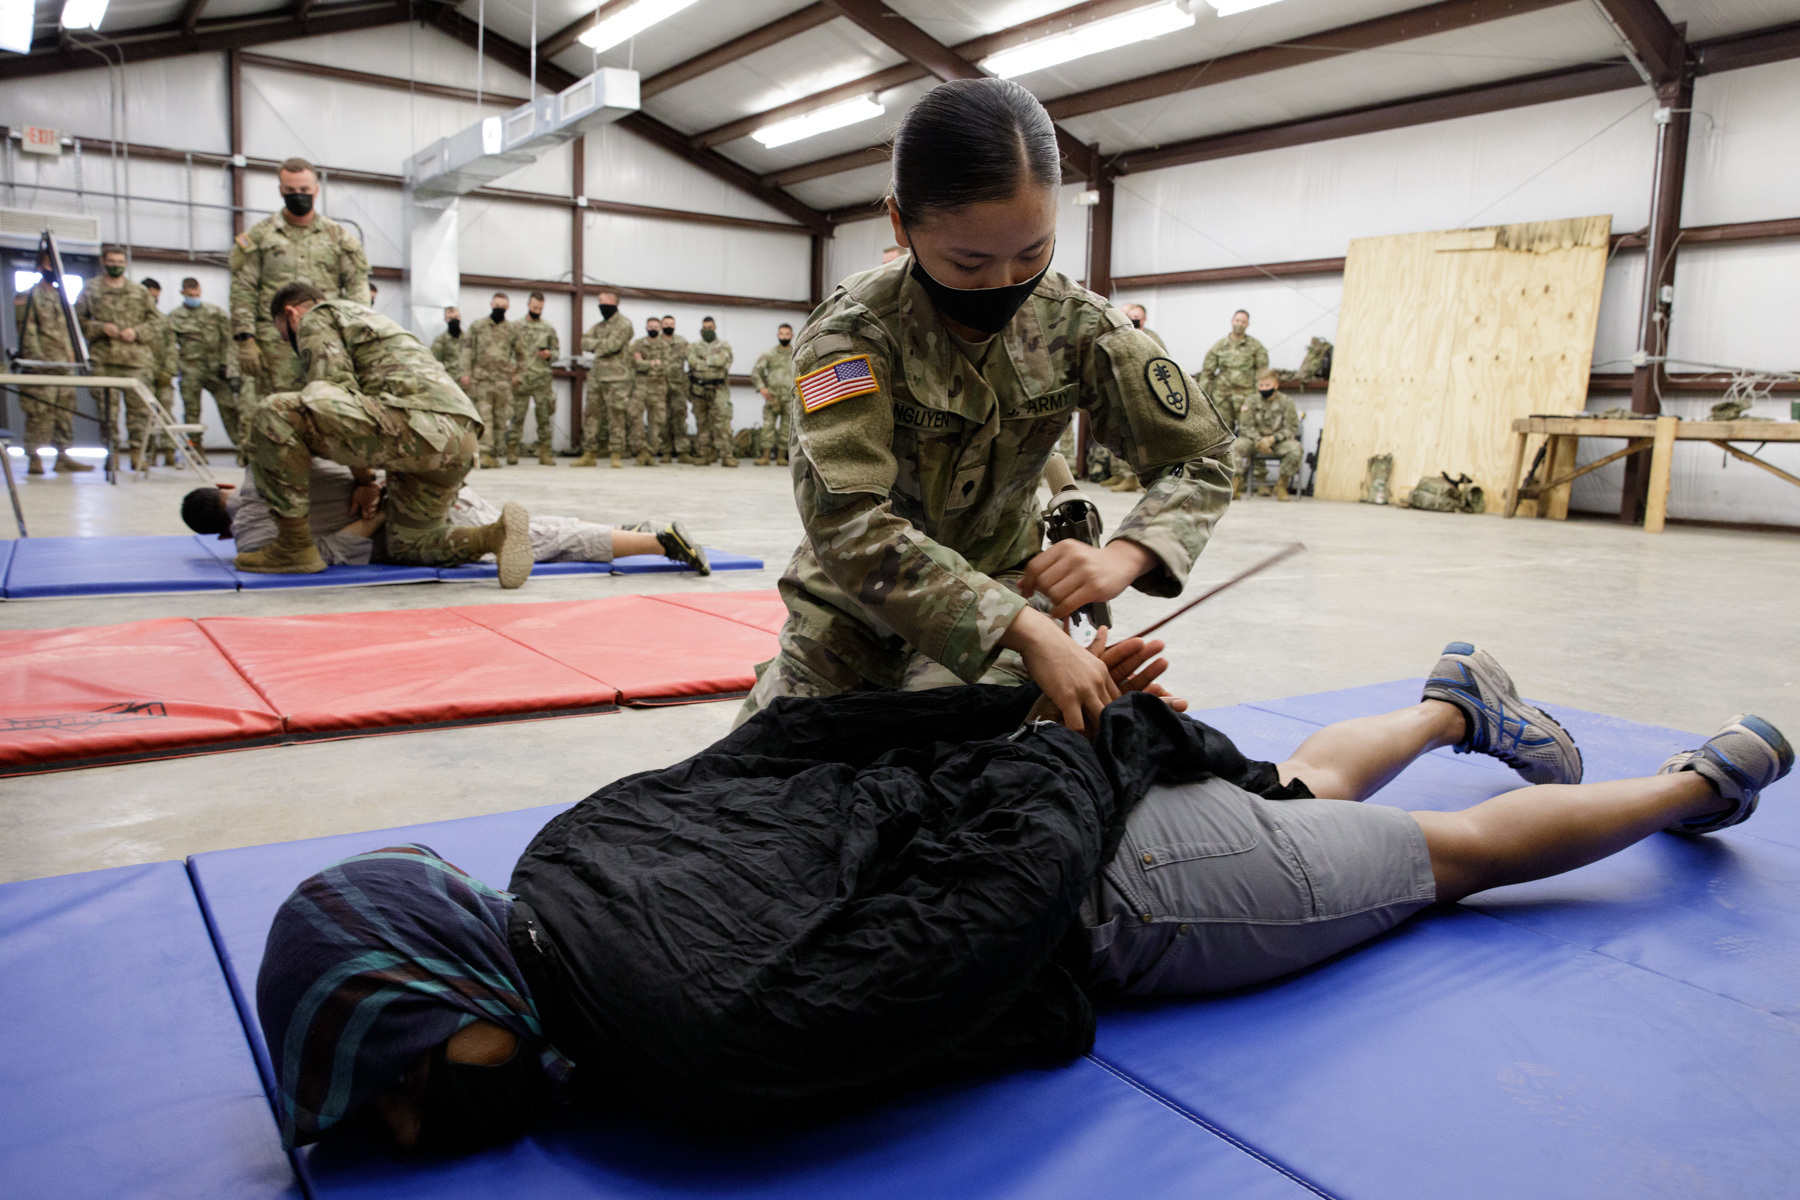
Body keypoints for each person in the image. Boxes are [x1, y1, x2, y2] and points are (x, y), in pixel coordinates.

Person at [254, 639, 1793, 1151]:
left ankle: (1697, 783)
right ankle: (1456, 706)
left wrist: (1074, 747)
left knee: (1437, 869)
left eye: (394, 1070)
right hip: (1040, 796)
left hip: (1117, 881)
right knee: (1304, 794)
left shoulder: (686, 1036)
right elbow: (799, 736)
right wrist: (1028, 715)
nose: (397, 1124)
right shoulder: (554, 864)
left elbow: (977, 936)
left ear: (436, 979)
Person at [738, 78, 1234, 733]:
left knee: (993, 775)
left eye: (1033, 252)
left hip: (1008, 596)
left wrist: (1124, 557)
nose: (1003, 286)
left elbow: (1200, 459)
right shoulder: (852, 336)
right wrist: (1025, 630)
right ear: (900, 223)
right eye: (968, 262)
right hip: (855, 613)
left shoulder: (1083, 329)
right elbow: (849, 526)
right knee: (761, 782)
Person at [235, 280, 531, 587]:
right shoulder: (366, 320)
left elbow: (329, 396)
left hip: (419, 426)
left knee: (275, 412)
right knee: (409, 545)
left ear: (292, 314)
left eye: (286, 336)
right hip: (460, 439)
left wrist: (364, 480)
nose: (292, 345)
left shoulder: (318, 316)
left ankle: (294, 549)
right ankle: (494, 535)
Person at [180, 461, 710, 574]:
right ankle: (652, 540)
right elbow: (348, 456)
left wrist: (371, 519)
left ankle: (649, 540)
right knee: (545, 533)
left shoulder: (253, 543)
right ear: (223, 487)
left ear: (221, 532)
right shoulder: (260, 468)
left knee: (543, 535)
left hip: (406, 527)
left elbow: (329, 553)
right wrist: (375, 492)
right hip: (414, 496)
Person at [230, 156, 371, 396]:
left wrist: (354, 335)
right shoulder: (260, 236)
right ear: (281, 191)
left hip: (326, 341)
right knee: (276, 413)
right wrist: (245, 339)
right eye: (291, 190)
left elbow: (357, 288)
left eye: (304, 189)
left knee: (326, 405)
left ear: (316, 191)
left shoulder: (339, 238)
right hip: (274, 344)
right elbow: (243, 288)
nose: (298, 195)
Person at [73, 245, 160, 472]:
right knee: (107, 414)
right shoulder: (91, 289)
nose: (116, 265)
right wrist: (100, 327)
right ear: (103, 262)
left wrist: (137, 332)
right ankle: (112, 456)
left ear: (125, 264)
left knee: (139, 414)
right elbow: (77, 322)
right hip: (104, 361)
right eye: (111, 261)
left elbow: (155, 323)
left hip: (135, 362)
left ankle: (137, 456)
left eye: (120, 262)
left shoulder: (139, 292)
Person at [13, 251, 92, 475]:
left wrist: (75, 357)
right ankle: (34, 458)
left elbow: (72, 333)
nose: (54, 270)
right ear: (40, 267)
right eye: (50, 265)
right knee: (39, 413)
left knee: (65, 413)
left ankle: (63, 456)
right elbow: (27, 333)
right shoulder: (27, 296)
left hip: (65, 367)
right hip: (41, 367)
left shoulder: (64, 299)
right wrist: (38, 363)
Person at [168, 277, 244, 453]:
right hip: (190, 371)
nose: (194, 297)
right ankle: (195, 449)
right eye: (190, 294)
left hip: (217, 370)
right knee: (192, 412)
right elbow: (170, 346)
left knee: (229, 408)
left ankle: (242, 448)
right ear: (182, 293)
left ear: (200, 291)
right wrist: (173, 368)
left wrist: (229, 366)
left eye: (196, 293)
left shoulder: (215, 312)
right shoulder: (174, 317)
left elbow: (228, 340)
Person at [460, 292, 524, 469]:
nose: (499, 309)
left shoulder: (512, 330)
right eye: (497, 305)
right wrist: (465, 373)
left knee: (501, 419)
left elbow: (521, 355)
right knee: (484, 417)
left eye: (503, 306)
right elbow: (467, 351)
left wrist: (517, 375)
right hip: (482, 381)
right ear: (491, 304)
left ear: (508, 308)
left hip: (503, 382)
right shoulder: (478, 326)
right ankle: (484, 452)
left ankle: (495, 452)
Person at [1232, 368, 1303, 501]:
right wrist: (1259, 440)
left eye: (1267, 385)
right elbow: (1245, 426)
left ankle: (1281, 486)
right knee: (1234, 446)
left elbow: (1291, 428)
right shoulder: (1251, 401)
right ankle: (1235, 486)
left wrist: (1272, 439)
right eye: (1261, 385)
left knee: (1295, 449)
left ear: (1275, 385)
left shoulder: (1287, 402)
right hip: (1254, 441)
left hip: (1277, 442)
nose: (1264, 388)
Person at [509, 291, 559, 465]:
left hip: (542, 380)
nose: (537, 310)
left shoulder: (548, 328)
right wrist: (512, 373)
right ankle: (512, 449)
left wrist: (549, 354)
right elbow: (507, 353)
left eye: (540, 308)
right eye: (534, 307)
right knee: (517, 416)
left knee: (544, 417)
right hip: (521, 379)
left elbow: (557, 352)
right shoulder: (515, 327)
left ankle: (545, 452)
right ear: (528, 305)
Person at [1197, 308, 1268, 429]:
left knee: (1248, 431)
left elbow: (1262, 372)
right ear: (1232, 321)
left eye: (1243, 322)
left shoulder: (1255, 346)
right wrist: (1200, 397)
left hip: (1246, 396)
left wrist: (1258, 397)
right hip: (1222, 397)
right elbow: (1207, 372)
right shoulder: (1220, 345)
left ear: (1247, 324)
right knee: (1222, 431)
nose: (1239, 324)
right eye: (1237, 320)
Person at [685, 316, 735, 467]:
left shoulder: (723, 345)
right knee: (702, 422)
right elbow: (692, 362)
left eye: (710, 328)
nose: (707, 330)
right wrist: (712, 361)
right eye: (705, 328)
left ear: (715, 328)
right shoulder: (695, 346)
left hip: (718, 389)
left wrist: (703, 360)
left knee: (722, 422)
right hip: (699, 390)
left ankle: (727, 455)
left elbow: (723, 362)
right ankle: (705, 454)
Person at [750, 323, 795, 467]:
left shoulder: (796, 354)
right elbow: (756, 372)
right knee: (768, 427)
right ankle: (765, 456)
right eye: (781, 334)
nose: (784, 337)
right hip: (772, 397)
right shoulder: (769, 354)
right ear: (777, 335)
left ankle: (781, 457)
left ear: (792, 336)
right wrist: (761, 388)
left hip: (790, 397)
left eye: (787, 334)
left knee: (786, 428)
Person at [659, 315, 691, 462]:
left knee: (680, 418)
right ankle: (665, 451)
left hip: (678, 386)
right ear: (661, 325)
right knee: (662, 419)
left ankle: (683, 452)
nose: (669, 326)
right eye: (666, 323)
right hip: (660, 385)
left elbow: (692, 359)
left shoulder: (682, 342)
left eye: (671, 323)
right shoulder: (655, 342)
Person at [430, 306, 466, 378]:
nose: (454, 321)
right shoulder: (440, 340)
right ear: (446, 320)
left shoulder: (468, 338)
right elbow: (433, 362)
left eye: (456, 317)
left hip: (466, 381)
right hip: (449, 380)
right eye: (451, 319)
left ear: (460, 318)